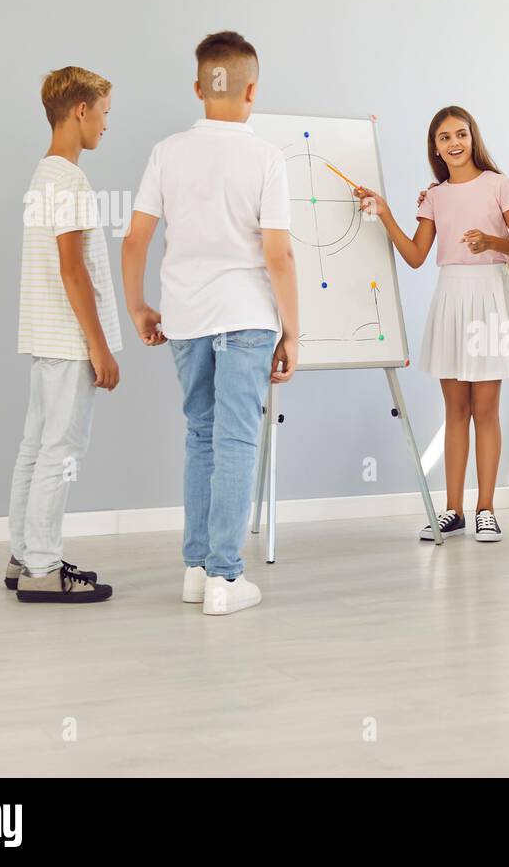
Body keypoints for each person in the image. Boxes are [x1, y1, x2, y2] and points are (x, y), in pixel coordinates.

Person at [121, 31, 299, 616]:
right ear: (253, 90)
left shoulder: (167, 151)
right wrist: (292, 331)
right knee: (237, 440)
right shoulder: (267, 157)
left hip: (186, 316)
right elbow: (279, 255)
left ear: (199, 88)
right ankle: (226, 577)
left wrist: (138, 306)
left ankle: (197, 570)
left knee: (200, 435)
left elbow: (137, 238)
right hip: (247, 317)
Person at [357, 106, 509, 542]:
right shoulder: (434, 196)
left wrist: (489, 241)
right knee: (455, 411)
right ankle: (453, 510)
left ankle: (486, 508)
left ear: (474, 138)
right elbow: (416, 257)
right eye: (444, 138)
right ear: (434, 147)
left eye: (461, 134)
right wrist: (385, 213)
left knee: (486, 409)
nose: (454, 143)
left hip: (491, 295)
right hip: (451, 296)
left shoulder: (500, 184)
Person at [7, 66, 121, 604]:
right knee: (60, 449)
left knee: (36, 447)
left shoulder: (43, 174)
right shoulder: (70, 181)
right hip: (68, 339)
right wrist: (99, 346)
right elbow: (72, 271)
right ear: (81, 110)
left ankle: (25, 555)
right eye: (103, 113)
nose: (105, 124)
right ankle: (43, 569)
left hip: (43, 334)